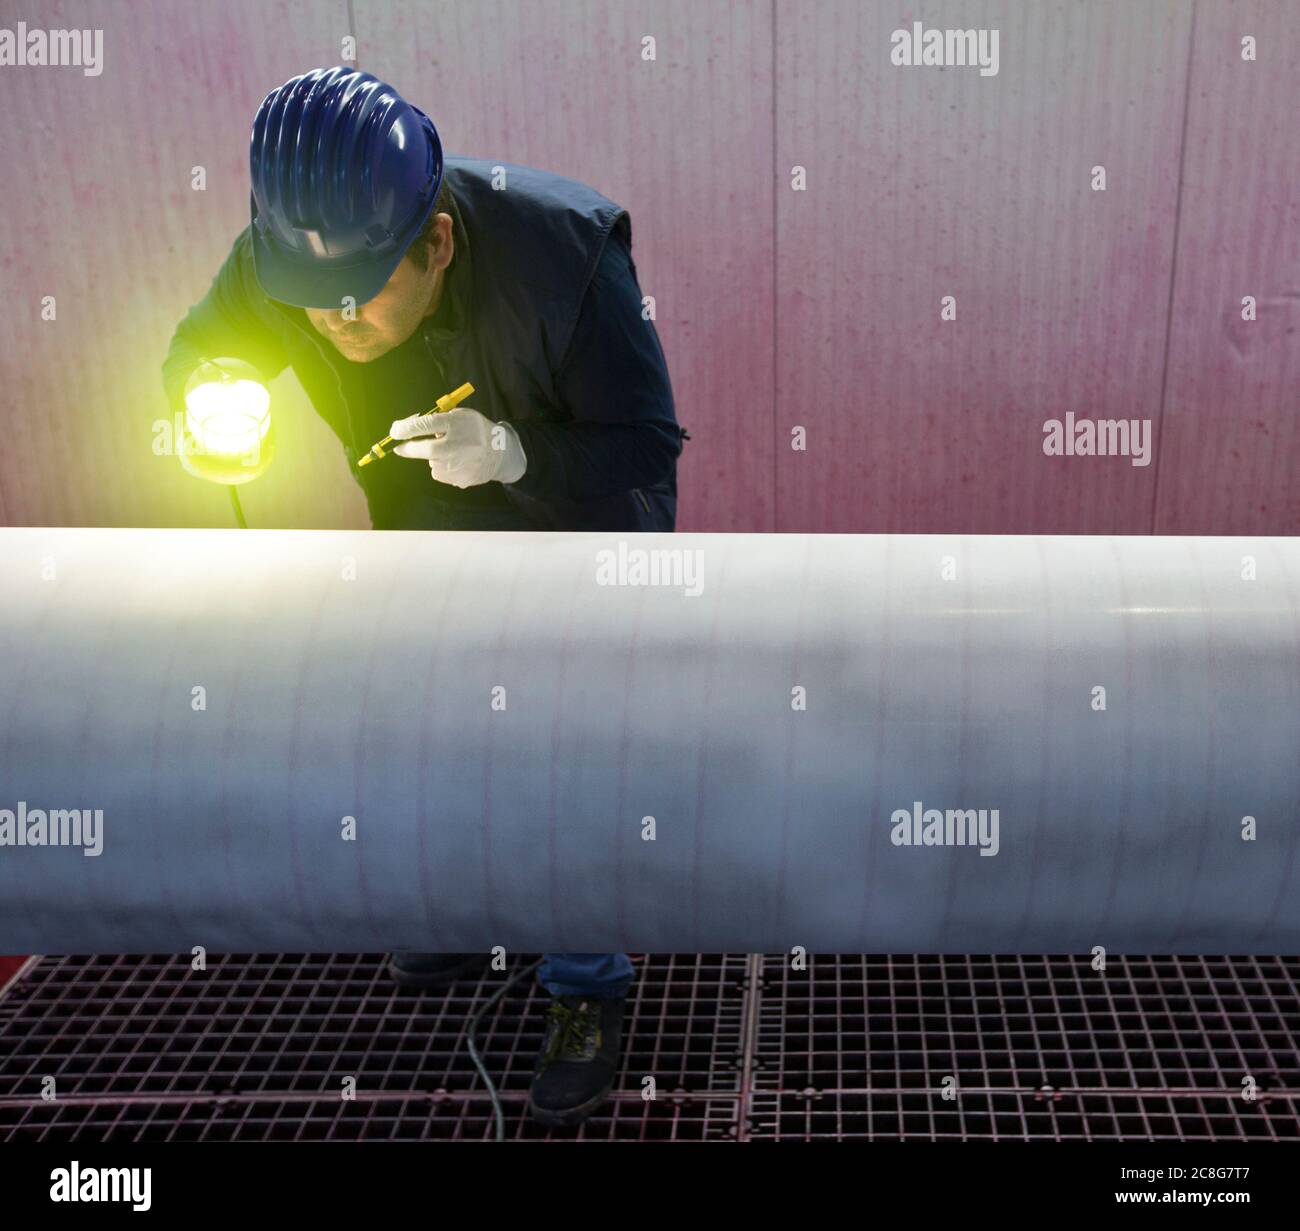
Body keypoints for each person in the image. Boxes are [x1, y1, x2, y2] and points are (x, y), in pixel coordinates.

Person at [161, 65, 686, 1127]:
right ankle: (459, 908)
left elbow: (643, 443)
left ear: (436, 242)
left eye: (355, 311)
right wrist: (205, 398)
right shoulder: (287, 263)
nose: (333, 334)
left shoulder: (567, 253)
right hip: (423, 530)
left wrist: (511, 452)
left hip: (577, 530)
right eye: (310, 316)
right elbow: (204, 347)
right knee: (437, 723)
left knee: (564, 759)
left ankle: (585, 989)